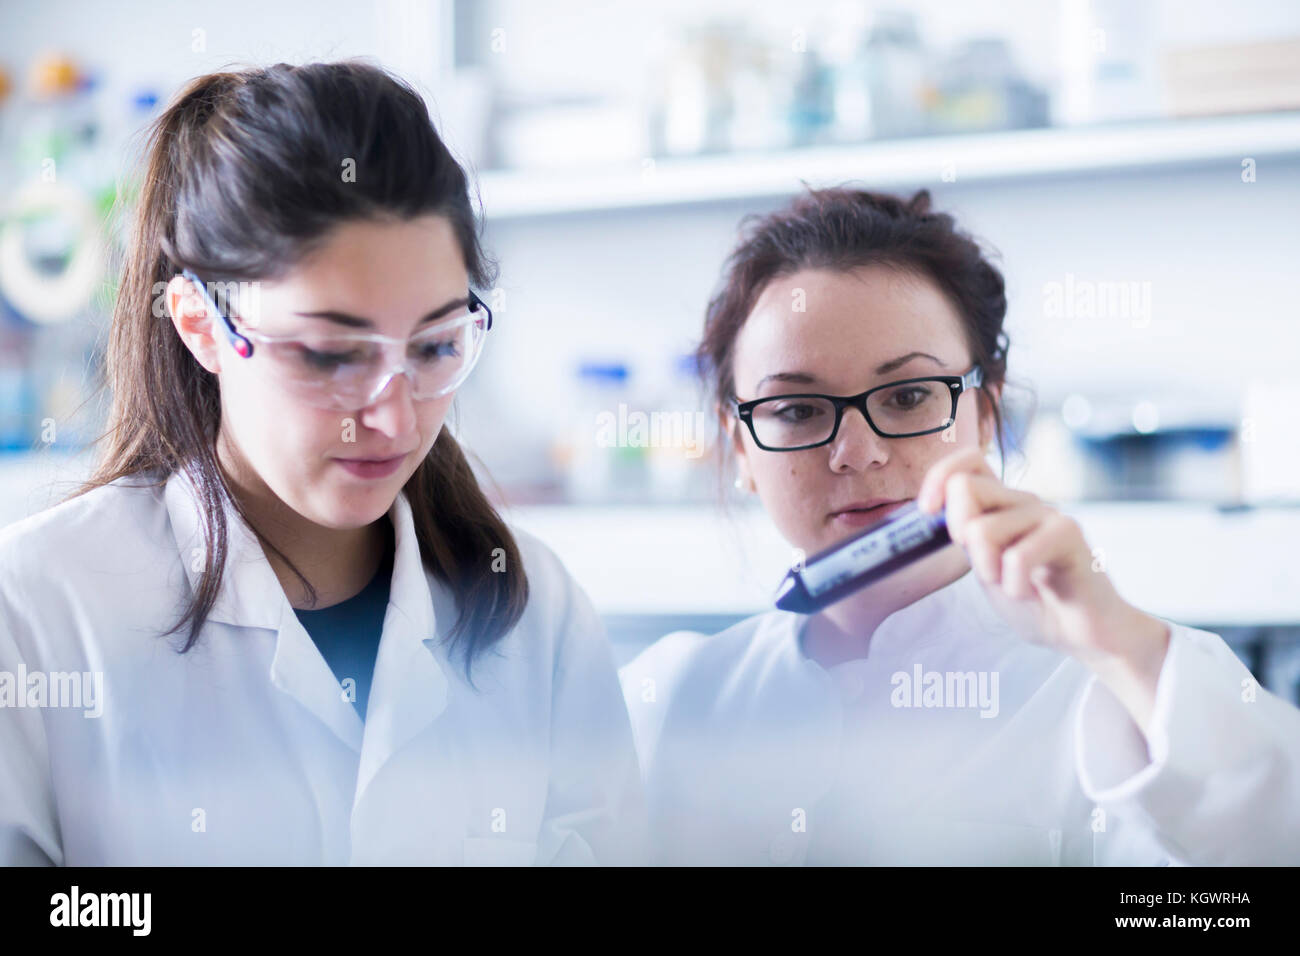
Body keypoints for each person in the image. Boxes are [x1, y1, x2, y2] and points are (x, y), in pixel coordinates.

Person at [0, 60, 645, 866]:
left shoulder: (534, 615)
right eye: (331, 354)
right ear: (200, 325)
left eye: (436, 345)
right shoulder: (35, 613)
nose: (393, 414)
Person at [619, 186, 1300, 865]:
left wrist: (1124, 648)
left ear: (985, 415)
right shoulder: (665, 699)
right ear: (739, 447)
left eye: (910, 395)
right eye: (796, 409)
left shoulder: (1115, 692)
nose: (858, 451)